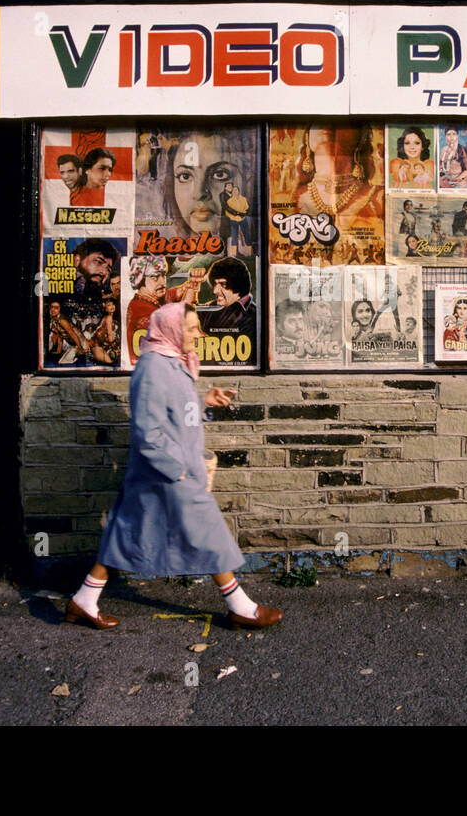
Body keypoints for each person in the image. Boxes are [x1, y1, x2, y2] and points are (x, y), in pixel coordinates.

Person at [67, 303, 282, 630]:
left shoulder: (172, 361)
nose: (199, 333)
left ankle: (84, 600)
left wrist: (203, 401)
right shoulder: (153, 367)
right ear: (170, 329)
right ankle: (241, 606)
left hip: (159, 472)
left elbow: (175, 411)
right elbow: (148, 431)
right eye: (192, 328)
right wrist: (180, 470)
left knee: (127, 530)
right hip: (167, 471)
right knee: (207, 529)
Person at [293, 124, 384, 235]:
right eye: (319, 119)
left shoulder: (379, 197)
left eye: (340, 121)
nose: (328, 125)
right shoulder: (294, 197)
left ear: (361, 138)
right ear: (307, 137)